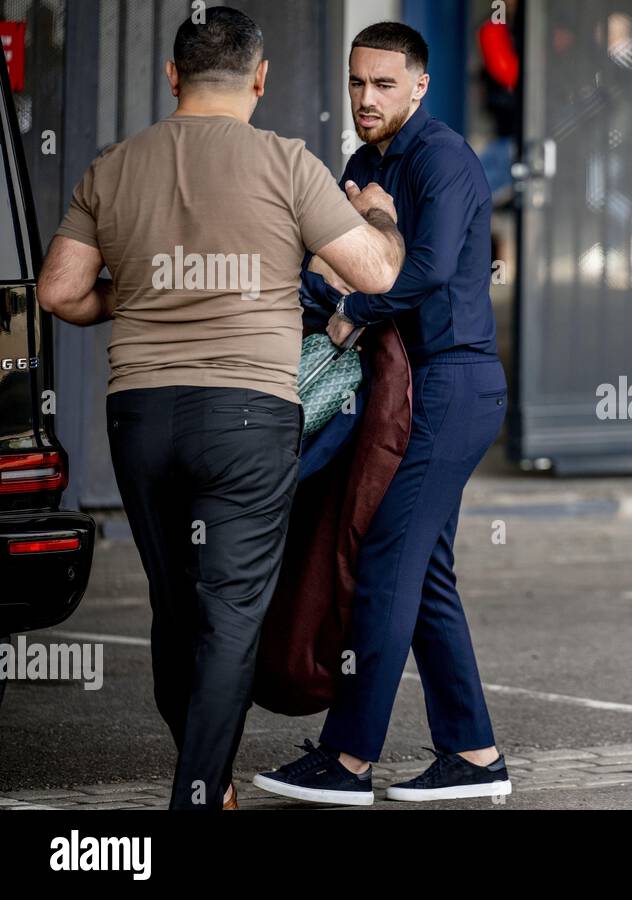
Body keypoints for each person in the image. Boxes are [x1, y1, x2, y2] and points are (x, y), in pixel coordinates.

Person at [36, 7, 404, 811]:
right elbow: (374, 273)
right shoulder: (287, 162)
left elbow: (59, 292)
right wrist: (377, 211)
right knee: (232, 612)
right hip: (246, 416)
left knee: (177, 606)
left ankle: (214, 784)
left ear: (172, 77)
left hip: (141, 414)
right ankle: (198, 795)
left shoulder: (113, 164)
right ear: (260, 80)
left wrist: (136, 295)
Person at [254, 22, 510, 805]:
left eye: (385, 85)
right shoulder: (364, 162)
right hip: (404, 389)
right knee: (424, 574)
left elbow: (426, 274)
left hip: (453, 385)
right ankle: (473, 757)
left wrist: (351, 307)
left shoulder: (442, 159)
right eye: (358, 83)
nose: (367, 98)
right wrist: (328, 290)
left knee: (384, 565)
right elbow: (323, 257)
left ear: (421, 86)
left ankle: (350, 760)